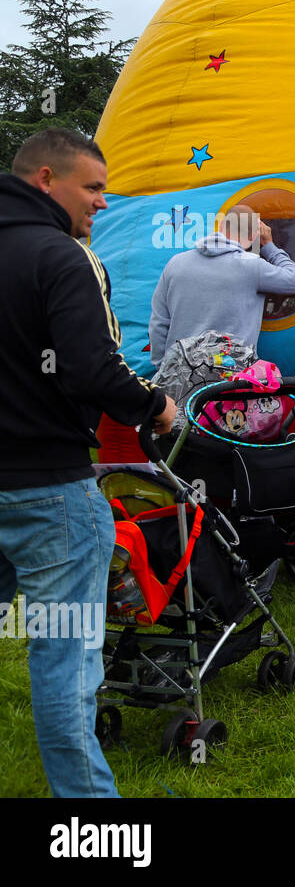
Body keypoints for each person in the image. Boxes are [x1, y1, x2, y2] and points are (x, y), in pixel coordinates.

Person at [0, 129, 176, 796]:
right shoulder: (60, 255)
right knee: (65, 660)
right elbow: (92, 369)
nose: (102, 204)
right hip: (48, 489)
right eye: (94, 188)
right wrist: (155, 405)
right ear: (46, 179)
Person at [148, 203, 295, 367]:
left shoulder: (176, 263)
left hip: (180, 370)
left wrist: (163, 366)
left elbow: (158, 323)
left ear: (222, 225)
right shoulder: (251, 265)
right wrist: (269, 246)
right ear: (254, 236)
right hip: (230, 374)